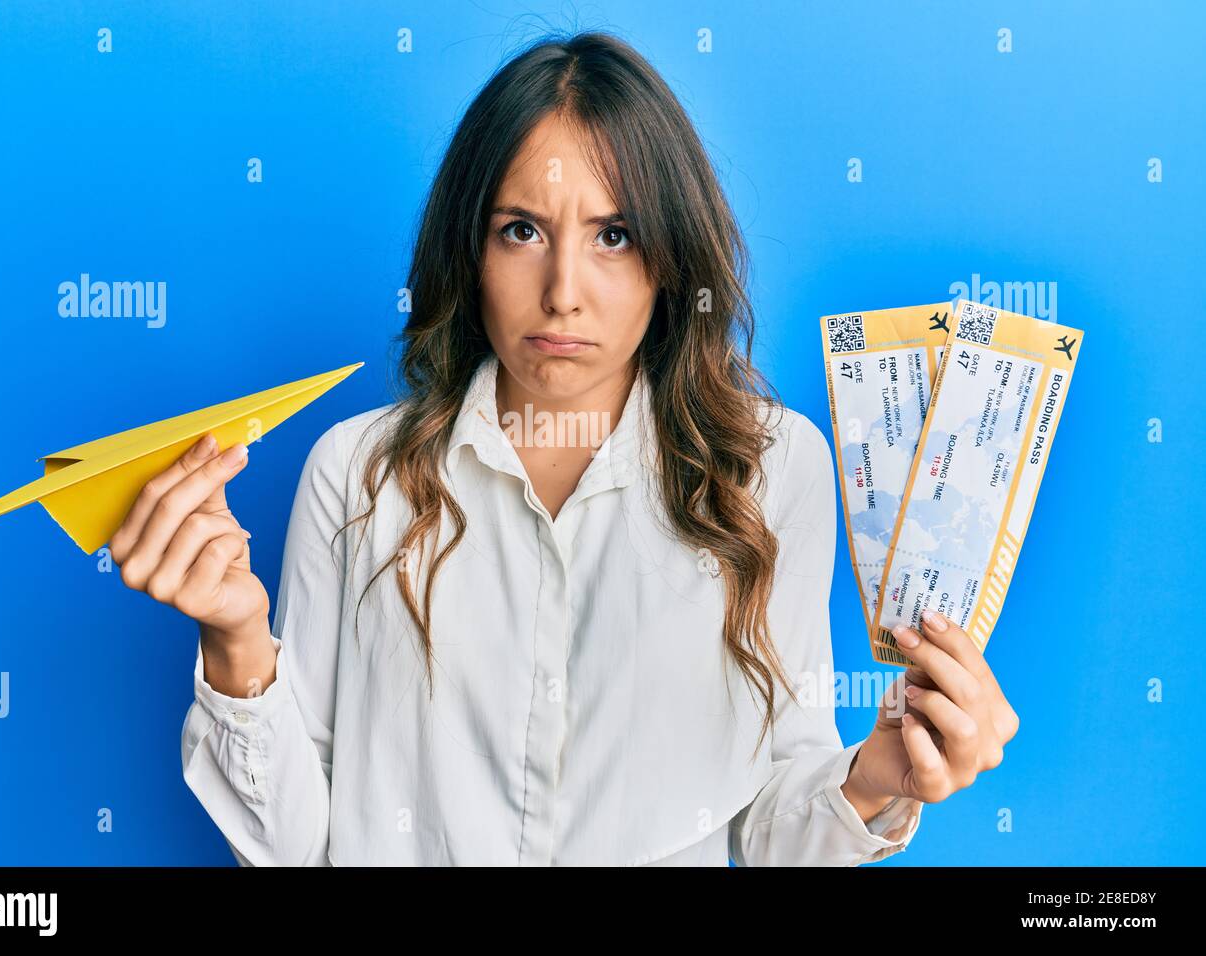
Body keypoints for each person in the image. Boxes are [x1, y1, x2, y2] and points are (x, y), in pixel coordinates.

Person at [110, 31, 1018, 866]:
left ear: (669, 261)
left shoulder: (770, 471)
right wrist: (236, 644)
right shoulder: (357, 476)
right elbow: (293, 849)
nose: (563, 292)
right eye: (522, 231)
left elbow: (775, 825)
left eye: (613, 236)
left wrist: (876, 779)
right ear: (469, 252)